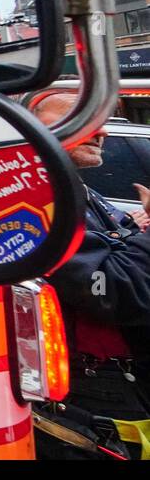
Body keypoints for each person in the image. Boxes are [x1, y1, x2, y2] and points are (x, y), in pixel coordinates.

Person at [32, 93, 150, 457]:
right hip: (98, 389)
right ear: (31, 128)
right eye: (79, 116)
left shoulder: (76, 189)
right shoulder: (37, 201)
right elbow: (115, 288)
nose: (101, 132)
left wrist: (134, 227)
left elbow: (114, 245)